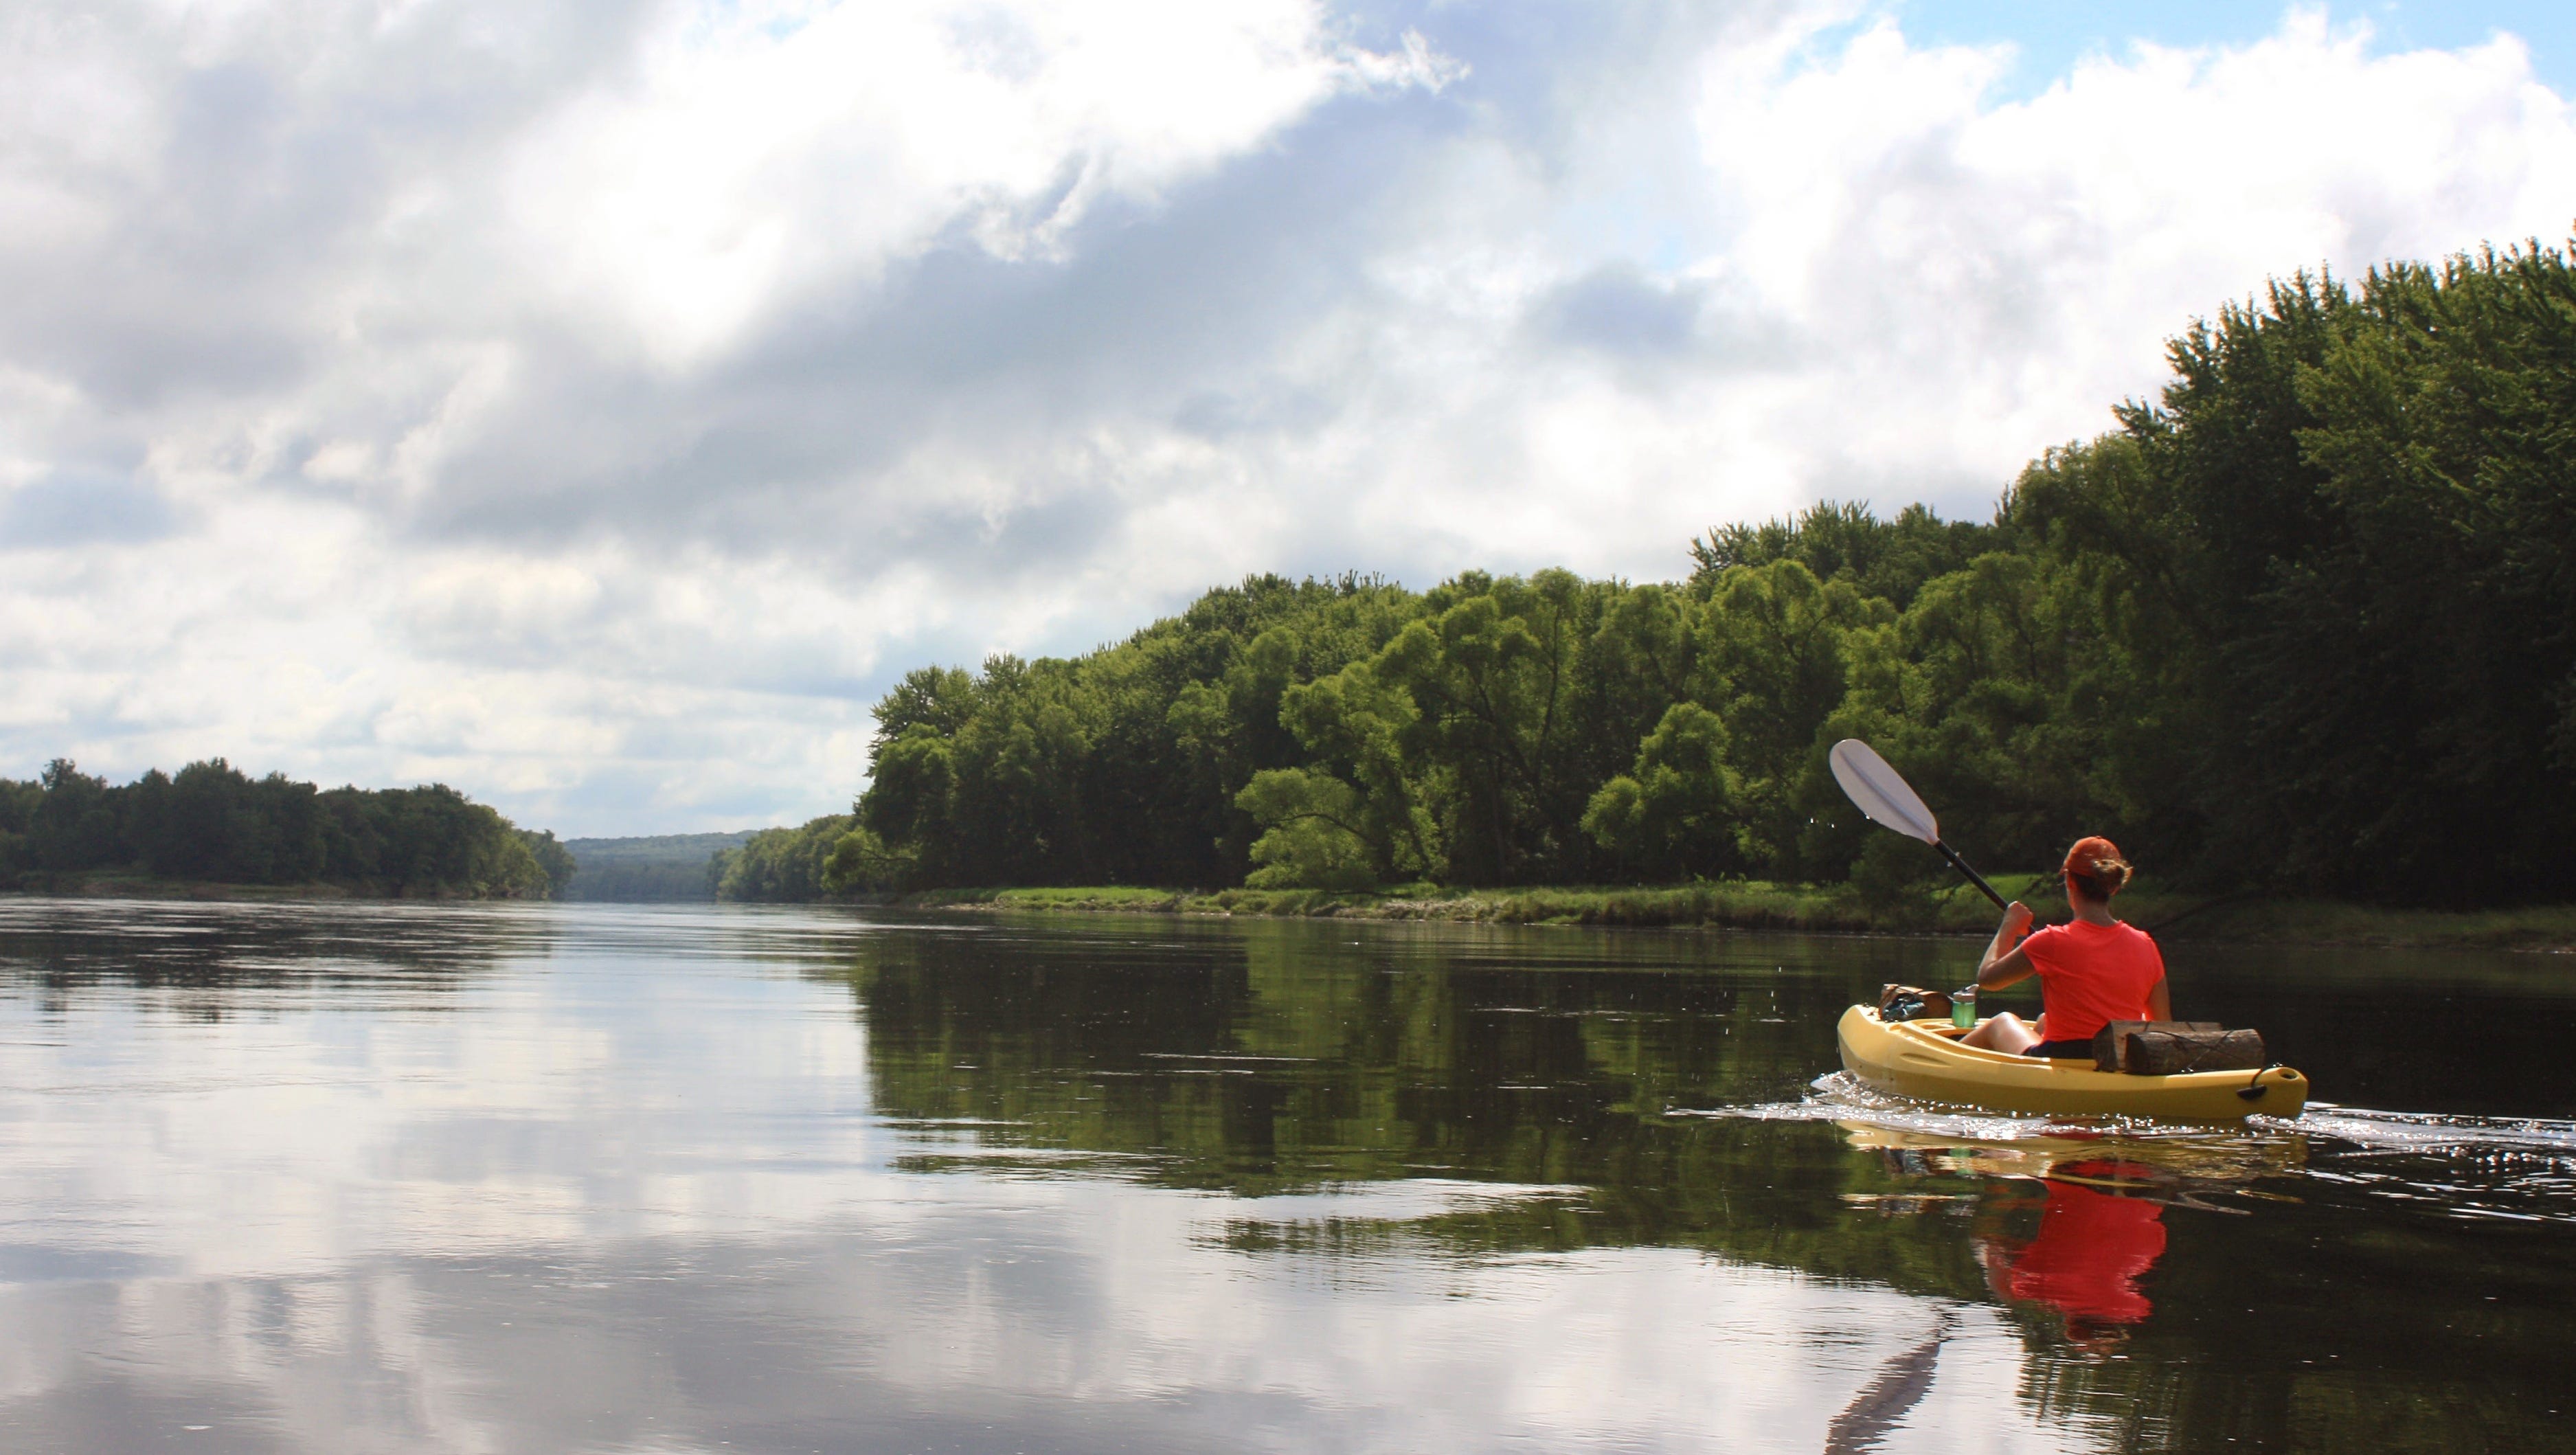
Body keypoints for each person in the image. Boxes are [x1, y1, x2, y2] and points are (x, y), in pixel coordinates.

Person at [1957, 836, 2169, 1058]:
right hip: (2118, 1060)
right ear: (2114, 888)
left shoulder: (2053, 941)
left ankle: (1948, 1069)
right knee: (2044, 1021)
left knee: (2001, 1022)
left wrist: (2009, 926)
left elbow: (1988, 979)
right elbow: (2163, 1025)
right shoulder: (2145, 944)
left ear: (2070, 882)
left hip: (2066, 1059)